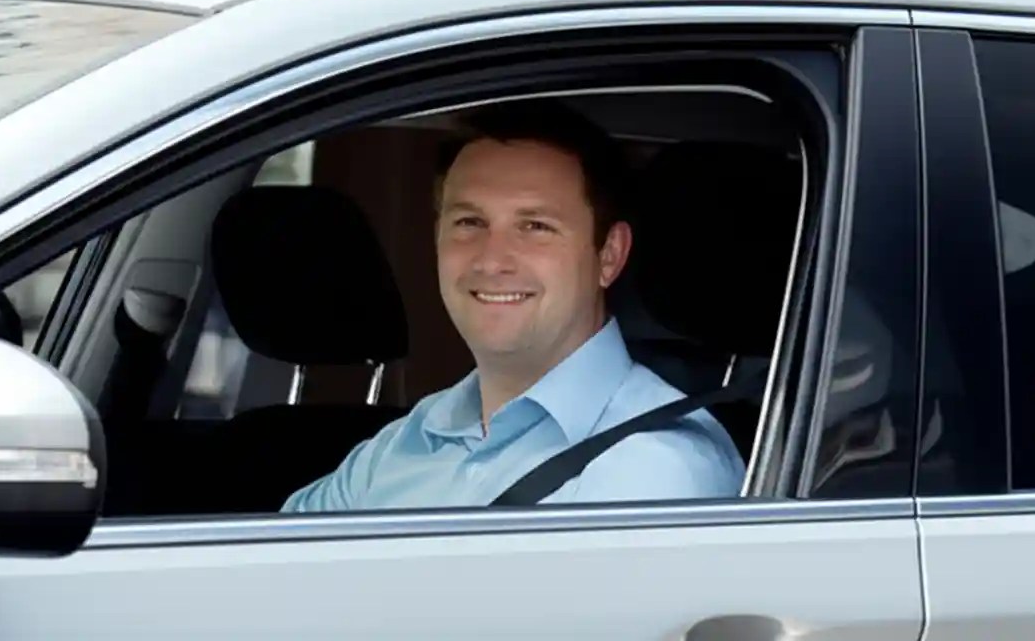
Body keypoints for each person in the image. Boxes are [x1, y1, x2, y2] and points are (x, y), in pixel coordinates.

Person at [281, 99, 745, 512]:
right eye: (469, 221)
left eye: (536, 226)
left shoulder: (656, 466)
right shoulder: (405, 442)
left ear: (609, 255)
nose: (492, 258)